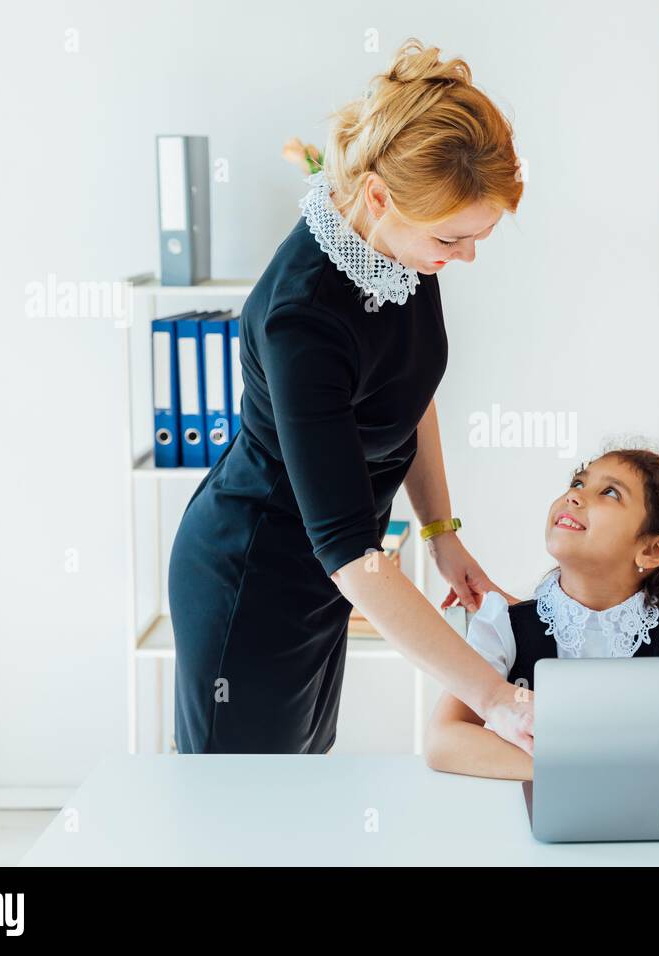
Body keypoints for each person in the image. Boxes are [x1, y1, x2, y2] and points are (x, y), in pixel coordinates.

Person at [169, 38, 533, 755]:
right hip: (255, 580)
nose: (464, 256)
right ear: (377, 197)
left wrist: (441, 535)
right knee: (240, 818)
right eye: (453, 239)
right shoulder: (303, 316)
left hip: (333, 578)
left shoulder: (397, 250)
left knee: (303, 785)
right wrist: (495, 699)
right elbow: (349, 553)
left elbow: (412, 394)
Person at [424, 447, 659, 780]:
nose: (574, 495)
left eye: (610, 492)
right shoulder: (505, 625)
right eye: (578, 482)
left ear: (653, 550)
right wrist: (577, 772)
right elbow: (443, 739)